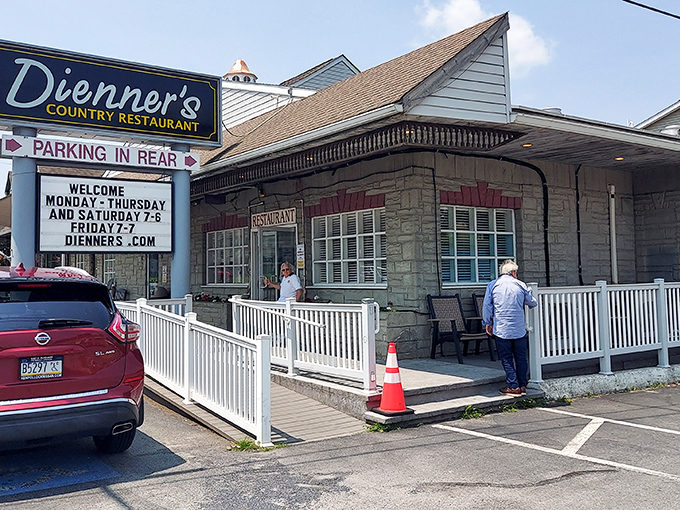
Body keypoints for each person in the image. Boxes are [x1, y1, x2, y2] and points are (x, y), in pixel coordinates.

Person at [482, 260, 538, 396]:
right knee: (521, 357)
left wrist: (487, 322)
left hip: (501, 328)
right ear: (513, 273)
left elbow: (487, 306)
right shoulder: (520, 285)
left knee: (506, 358)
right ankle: (522, 385)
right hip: (519, 328)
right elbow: (532, 302)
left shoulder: (493, 285)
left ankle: (513, 386)